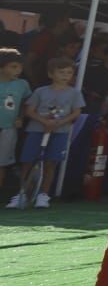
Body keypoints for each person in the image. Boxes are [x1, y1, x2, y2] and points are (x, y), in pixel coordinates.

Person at [13, 56, 83, 208]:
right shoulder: (40, 91)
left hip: (60, 132)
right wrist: (44, 121)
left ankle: (43, 195)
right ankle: (22, 194)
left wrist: (59, 123)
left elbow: (76, 112)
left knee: (51, 164)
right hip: (36, 131)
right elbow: (29, 110)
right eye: (61, 72)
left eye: (69, 73)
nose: (65, 75)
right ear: (51, 74)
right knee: (28, 162)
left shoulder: (74, 93)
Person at [0, 48, 33, 204]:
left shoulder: (22, 84)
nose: (18, 70)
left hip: (8, 129)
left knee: (2, 163)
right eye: (13, 66)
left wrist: (21, 117)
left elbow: (26, 103)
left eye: (19, 67)